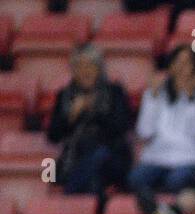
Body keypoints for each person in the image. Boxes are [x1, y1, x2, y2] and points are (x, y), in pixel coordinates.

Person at [129, 44, 195, 214]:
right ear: (170, 66)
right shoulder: (157, 92)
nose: (182, 68)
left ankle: (161, 213)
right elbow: (144, 131)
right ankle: (158, 211)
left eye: (187, 63)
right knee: (135, 178)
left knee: (177, 181)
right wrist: (153, 98)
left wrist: (190, 99)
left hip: (190, 158)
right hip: (157, 158)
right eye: (178, 62)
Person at [47, 44, 132, 199]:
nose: (85, 71)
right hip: (75, 157)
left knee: (100, 155)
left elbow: (122, 127)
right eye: (80, 66)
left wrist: (94, 112)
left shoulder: (114, 92)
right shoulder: (64, 96)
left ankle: (69, 194)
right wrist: (71, 117)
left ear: (99, 69)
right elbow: (53, 136)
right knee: (93, 180)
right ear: (73, 71)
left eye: (90, 66)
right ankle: (94, 207)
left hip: (112, 156)